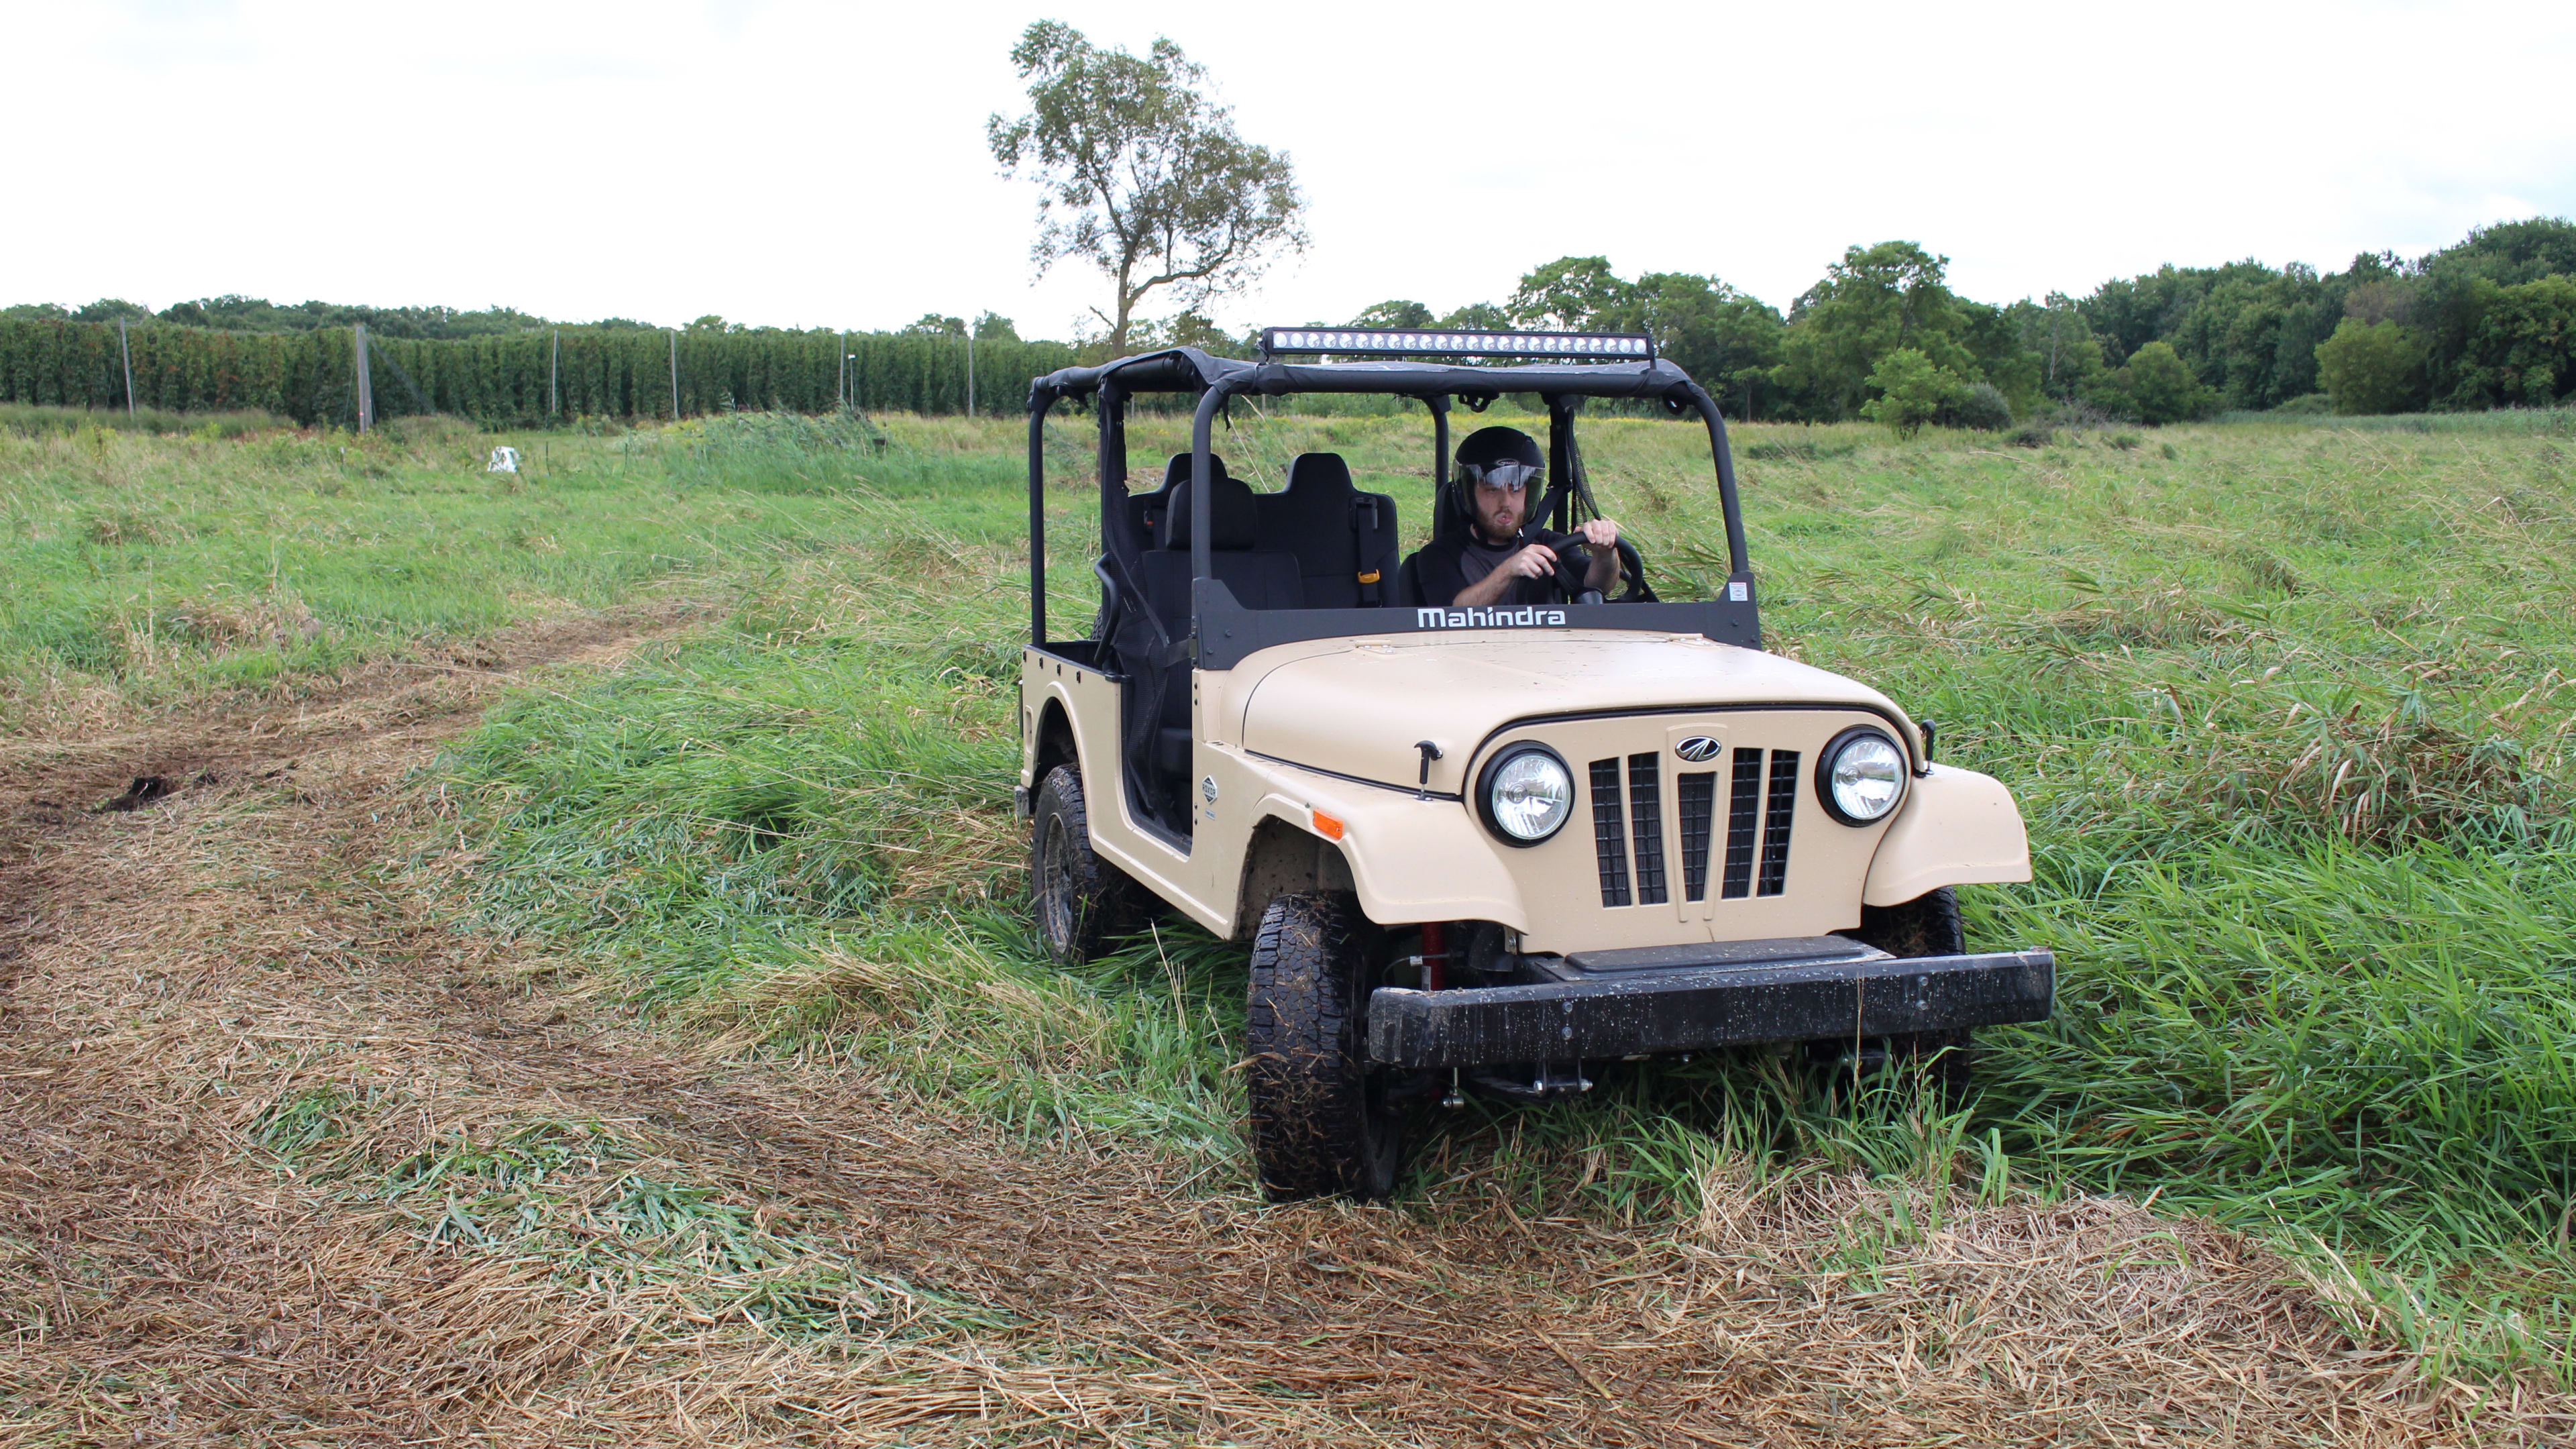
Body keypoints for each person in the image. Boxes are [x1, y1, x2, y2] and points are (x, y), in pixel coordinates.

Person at [1407, 425, 1621, 608]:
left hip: (1548, 654)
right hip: (1474, 653)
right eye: (1492, 490)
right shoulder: (1439, 555)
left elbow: (1599, 585)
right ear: (1468, 494)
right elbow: (1454, 612)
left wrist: (1605, 554)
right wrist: (1509, 570)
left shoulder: (1551, 545)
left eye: (1516, 490)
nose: (1506, 503)